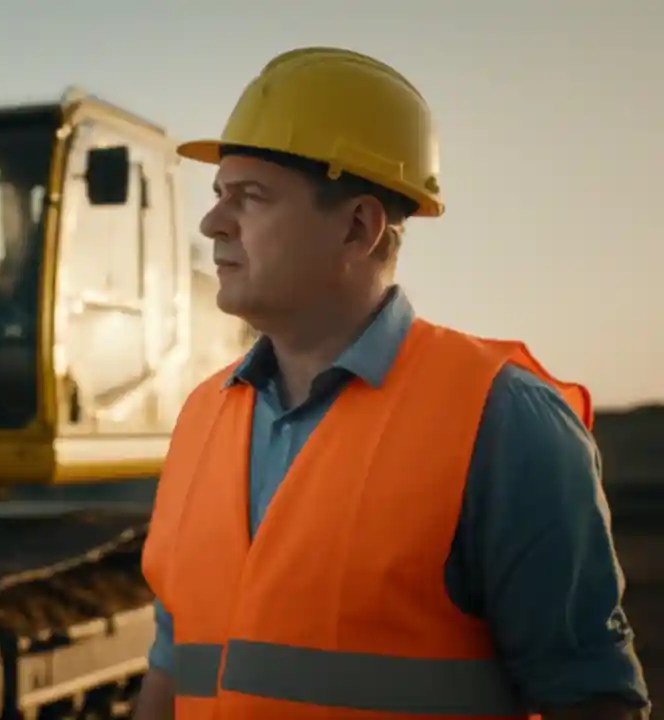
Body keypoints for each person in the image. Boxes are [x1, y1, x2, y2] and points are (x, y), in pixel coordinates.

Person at [134, 47, 650, 720]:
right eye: (218, 195)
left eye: (250, 198)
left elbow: (591, 700)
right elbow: (173, 660)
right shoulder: (203, 416)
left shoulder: (504, 420)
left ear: (358, 228)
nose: (212, 224)